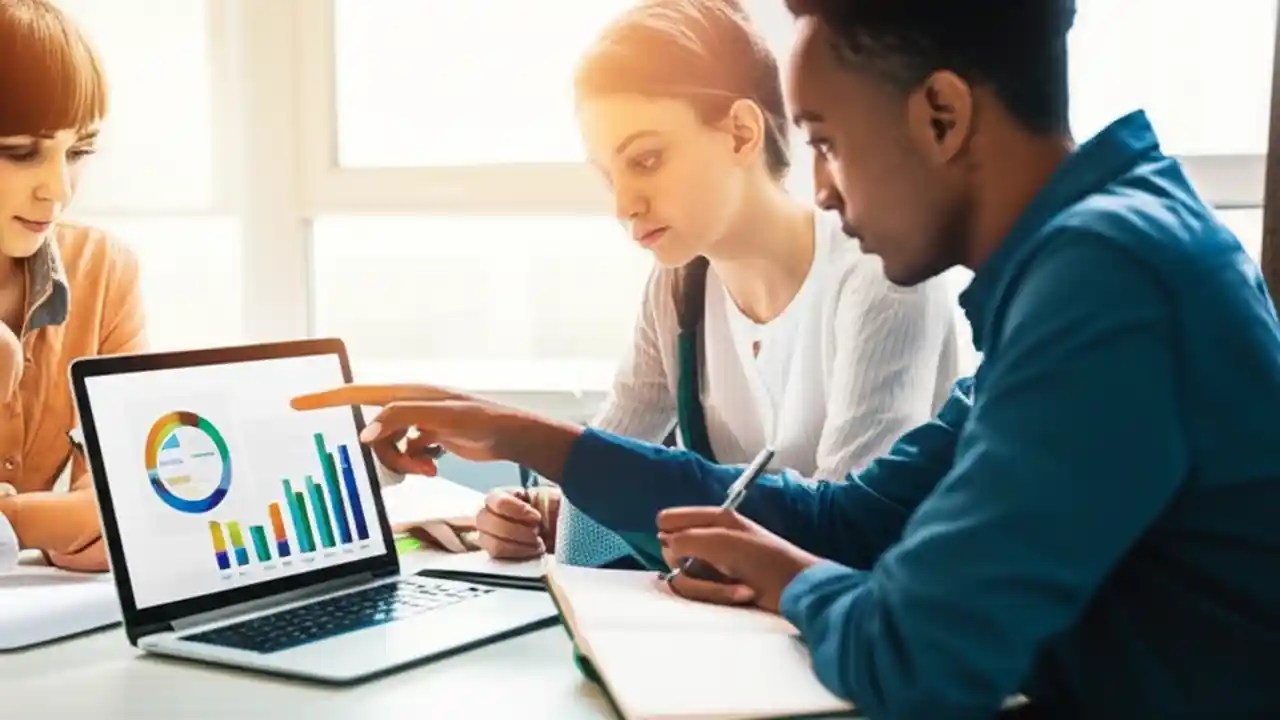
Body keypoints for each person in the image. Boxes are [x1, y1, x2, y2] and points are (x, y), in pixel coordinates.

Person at [293, 0, 1280, 717]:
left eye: (823, 142)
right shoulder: (1096, 254)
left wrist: (788, 580)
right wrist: (521, 435)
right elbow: (850, 518)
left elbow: (913, 651)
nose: (824, 191)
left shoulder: (1105, 282)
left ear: (938, 116)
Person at [466, 0, 957, 567]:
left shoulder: (879, 275)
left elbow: (846, 532)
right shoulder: (676, 288)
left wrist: (589, 480)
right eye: (610, 177)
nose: (625, 205)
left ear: (742, 133)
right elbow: (605, 461)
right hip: (740, 628)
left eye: (645, 160)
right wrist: (546, 512)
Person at [0, 0, 147, 573]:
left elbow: (124, 505)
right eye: (18, 152)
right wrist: (49, 521)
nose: (57, 191)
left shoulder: (104, 270)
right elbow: (89, 518)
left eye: (78, 151)